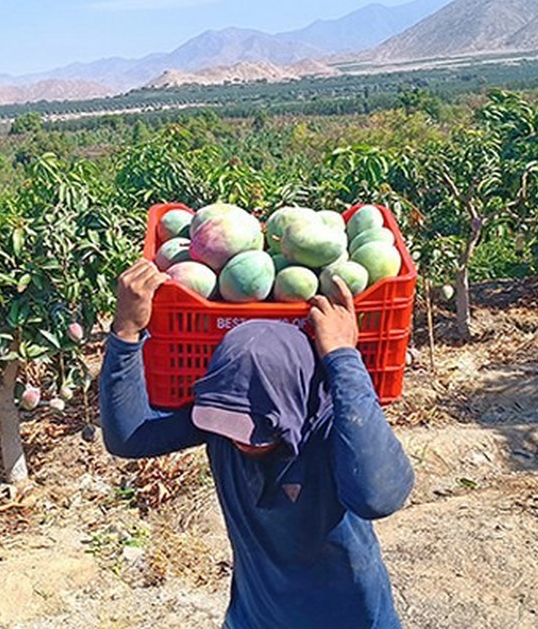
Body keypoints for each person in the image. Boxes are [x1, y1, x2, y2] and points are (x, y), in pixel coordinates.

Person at [99, 258, 415, 628]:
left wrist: (343, 357)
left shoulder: (329, 427)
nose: (240, 440)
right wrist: (126, 332)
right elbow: (128, 438)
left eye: (260, 428)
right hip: (252, 619)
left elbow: (379, 497)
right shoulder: (219, 418)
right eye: (230, 424)